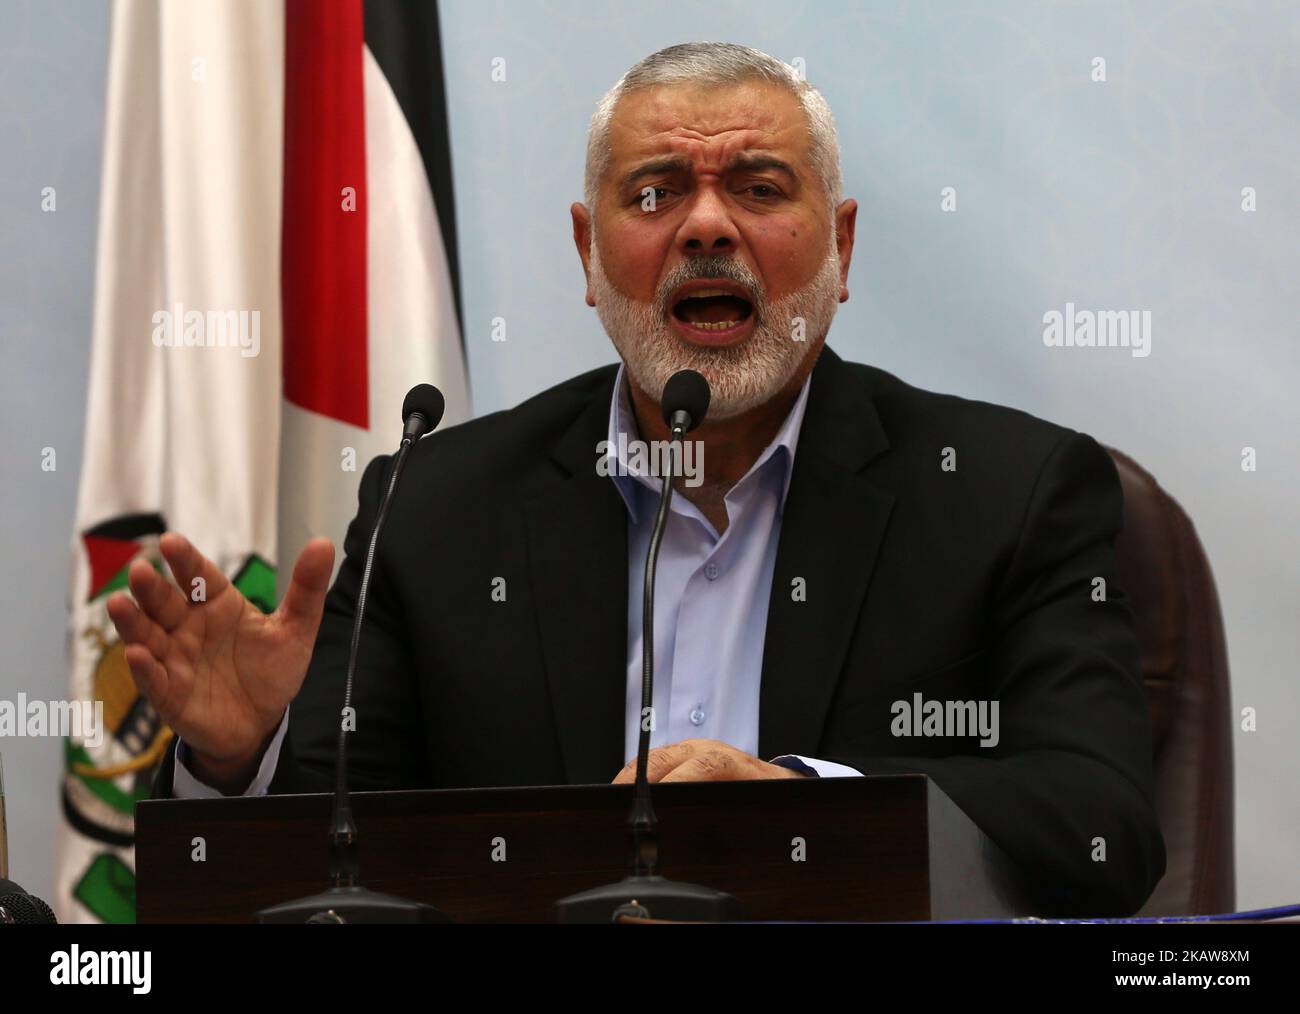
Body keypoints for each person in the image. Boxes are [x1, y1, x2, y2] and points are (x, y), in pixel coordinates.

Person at [106, 43, 1165, 916]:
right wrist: (243, 762)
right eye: (655, 193)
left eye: (758, 188)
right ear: (586, 253)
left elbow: (1101, 826)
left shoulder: (1008, 493)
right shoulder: (434, 509)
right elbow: (330, 876)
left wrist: (798, 801)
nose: (706, 227)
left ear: (840, 248)